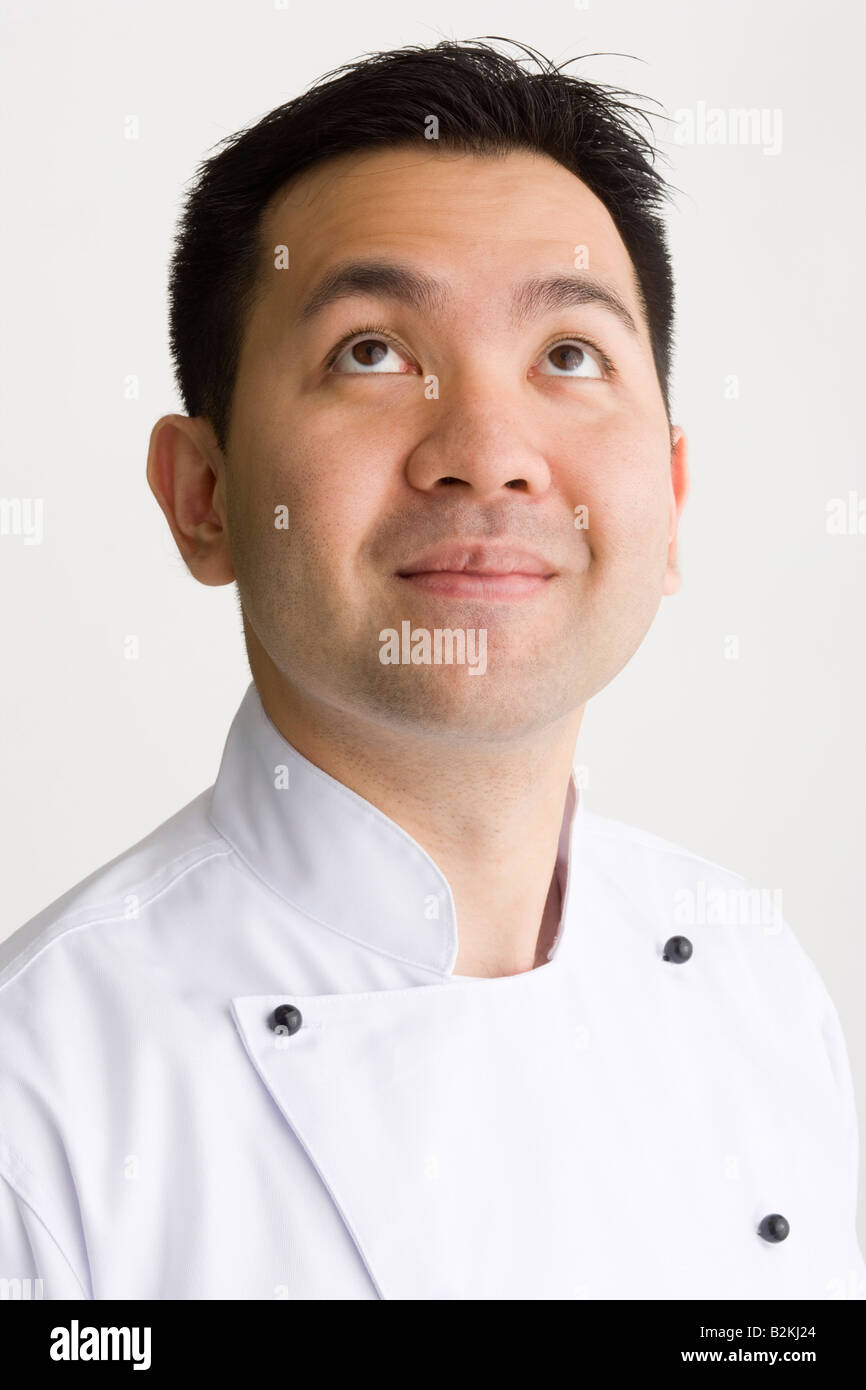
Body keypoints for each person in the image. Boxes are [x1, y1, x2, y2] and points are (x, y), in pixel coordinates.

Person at [1, 37, 863, 1301]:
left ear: (669, 507)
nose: (486, 452)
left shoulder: (757, 983)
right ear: (204, 498)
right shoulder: (42, 1099)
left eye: (569, 355)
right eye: (369, 351)